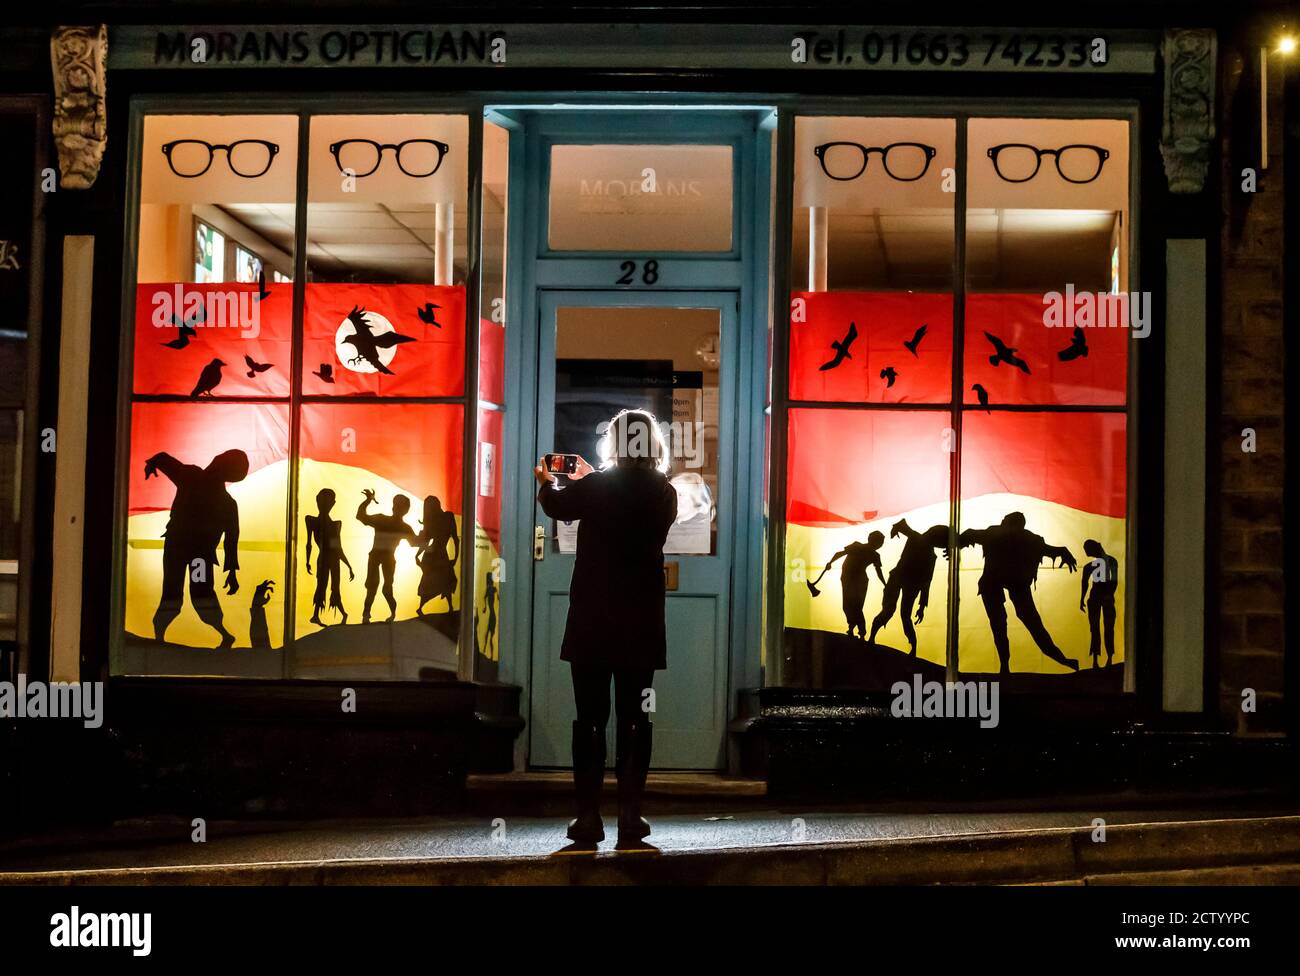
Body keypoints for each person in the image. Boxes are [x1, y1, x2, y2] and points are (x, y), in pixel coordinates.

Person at [534, 409, 677, 847]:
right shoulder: (664, 492)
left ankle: (588, 817)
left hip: (594, 620)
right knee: (636, 718)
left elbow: (559, 506)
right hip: (641, 622)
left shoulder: (596, 488)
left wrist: (546, 479)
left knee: (591, 718)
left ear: (614, 442)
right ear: (652, 444)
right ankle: (631, 816)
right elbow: (631, 511)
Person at [144, 448, 248, 648]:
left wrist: (232, 570)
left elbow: (231, 539)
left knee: (192, 593)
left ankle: (221, 634)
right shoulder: (197, 481)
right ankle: (161, 636)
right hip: (186, 551)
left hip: (191, 553)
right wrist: (232, 571)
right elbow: (231, 539)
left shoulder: (196, 480)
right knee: (181, 592)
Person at [958, 511, 1078, 673]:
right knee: (1020, 623)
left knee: (1004, 623)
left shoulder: (997, 533)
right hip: (1006, 583)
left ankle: (1009, 665)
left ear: (1009, 522)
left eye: (1004, 520)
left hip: (1006, 583)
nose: (1001, 521)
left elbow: (970, 534)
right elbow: (1055, 550)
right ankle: (1056, 659)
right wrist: (1063, 552)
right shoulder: (1030, 539)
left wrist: (955, 543)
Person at [867, 519, 949, 656]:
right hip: (903, 579)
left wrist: (923, 604)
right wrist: (922, 604)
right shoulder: (920, 542)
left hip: (909, 582)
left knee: (900, 614)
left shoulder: (922, 545)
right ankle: (873, 637)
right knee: (892, 611)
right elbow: (902, 525)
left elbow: (927, 581)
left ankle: (911, 646)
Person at [356, 490, 417, 624]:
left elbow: (415, 543)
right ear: (393, 506)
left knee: (386, 589)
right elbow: (360, 516)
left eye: (400, 506)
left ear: (405, 510)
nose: (396, 508)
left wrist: (428, 532)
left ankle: (392, 613)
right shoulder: (382, 519)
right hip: (376, 557)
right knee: (372, 586)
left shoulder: (404, 527)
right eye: (396, 505)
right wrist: (367, 500)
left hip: (388, 558)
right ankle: (366, 614)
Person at [814, 532, 886, 639]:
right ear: (872, 540)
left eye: (881, 543)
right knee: (848, 606)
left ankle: (861, 632)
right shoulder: (857, 546)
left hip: (860, 581)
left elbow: (878, 571)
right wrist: (830, 562)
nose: (880, 545)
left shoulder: (875, 555)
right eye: (879, 542)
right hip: (848, 578)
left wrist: (885, 584)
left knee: (856, 606)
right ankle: (852, 628)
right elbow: (840, 553)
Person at [304, 488, 355, 625]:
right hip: (324, 559)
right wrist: (307, 561)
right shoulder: (311, 521)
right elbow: (309, 543)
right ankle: (317, 615)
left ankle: (342, 613)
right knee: (321, 585)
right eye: (322, 500)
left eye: (328, 501)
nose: (325, 504)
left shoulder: (336, 524)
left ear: (333, 503)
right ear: (317, 500)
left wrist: (348, 565)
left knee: (334, 587)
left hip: (334, 559)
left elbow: (338, 548)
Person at [415, 495, 459, 615]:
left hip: (436, 554)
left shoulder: (446, 517)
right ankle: (422, 607)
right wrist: (417, 554)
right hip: (434, 554)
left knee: (444, 580)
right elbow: (427, 541)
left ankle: (449, 606)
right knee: (437, 580)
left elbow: (455, 539)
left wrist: (456, 556)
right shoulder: (442, 518)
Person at [1079, 539, 1119, 668]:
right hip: (1101, 598)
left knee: (1100, 628)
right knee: (1101, 628)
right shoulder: (1110, 561)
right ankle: (1105, 658)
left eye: (1086, 549)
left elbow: (1114, 581)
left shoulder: (1091, 566)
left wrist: (1082, 599)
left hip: (1099, 597)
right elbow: (1114, 581)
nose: (1085, 551)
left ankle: (1102, 659)